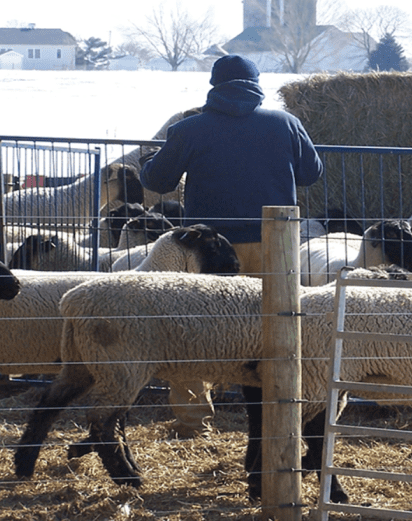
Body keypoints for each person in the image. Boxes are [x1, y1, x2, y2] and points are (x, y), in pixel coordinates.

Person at [139, 54, 324, 435]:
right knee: (277, 328)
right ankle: (281, 417)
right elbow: (311, 173)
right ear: (256, 84)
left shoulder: (190, 129)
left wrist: (154, 159)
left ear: (214, 84)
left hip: (209, 249)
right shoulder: (285, 123)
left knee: (195, 330)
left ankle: (194, 423)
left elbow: (157, 181)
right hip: (274, 245)